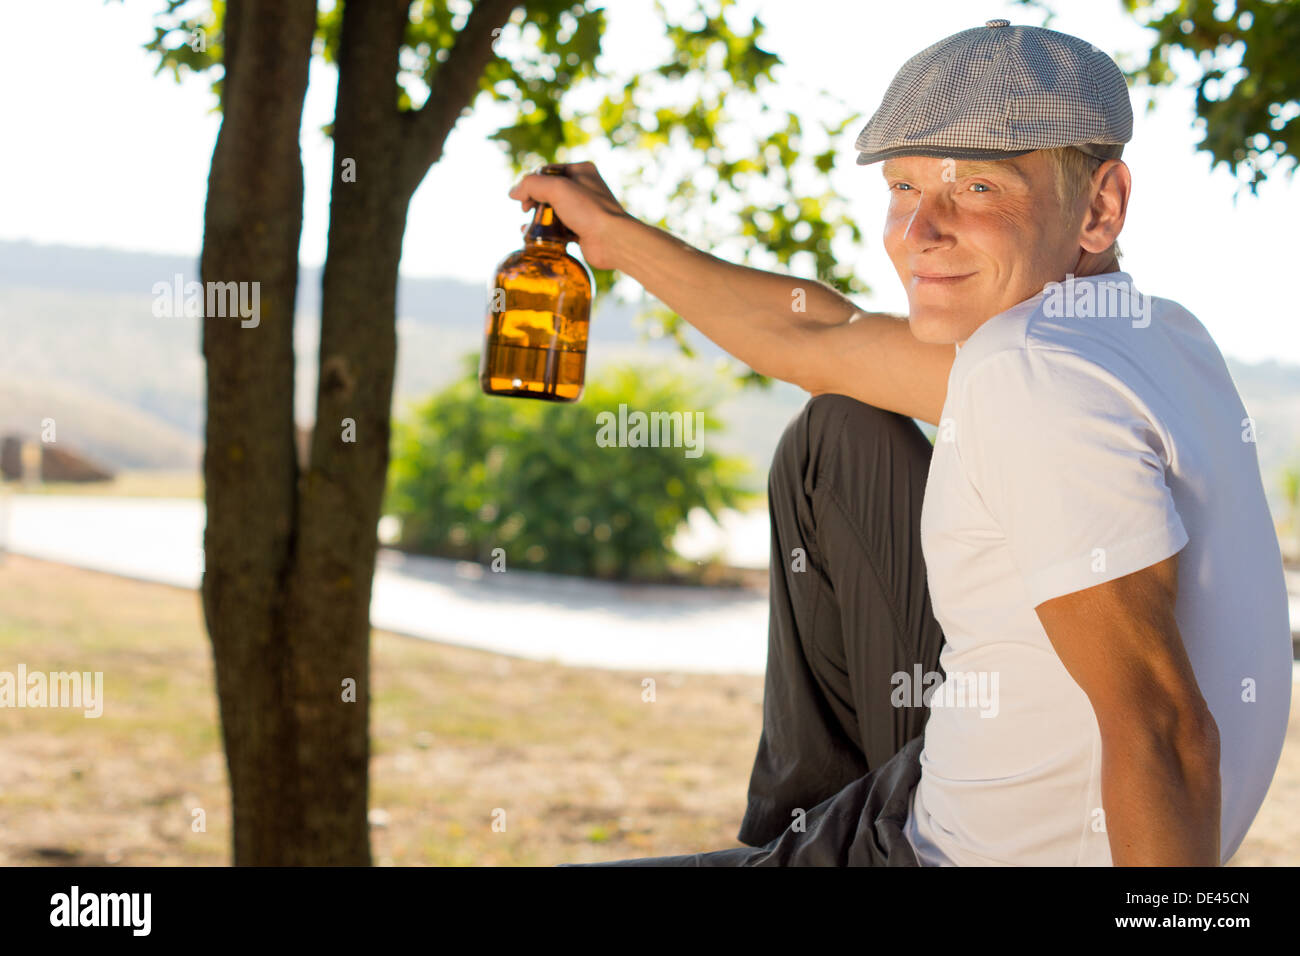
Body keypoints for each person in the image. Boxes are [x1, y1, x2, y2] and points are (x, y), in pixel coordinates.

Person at [511, 19, 1293, 866]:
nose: (918, 232)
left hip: (947, 855)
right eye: (904, 189)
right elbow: (816, 337)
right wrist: (615, 236)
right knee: (837, 434)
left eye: (978, 190)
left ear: (1100, 206)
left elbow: (1168, 731)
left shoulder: (1029, 374)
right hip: (942, 787)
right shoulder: (1152, 334)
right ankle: (799, 839)